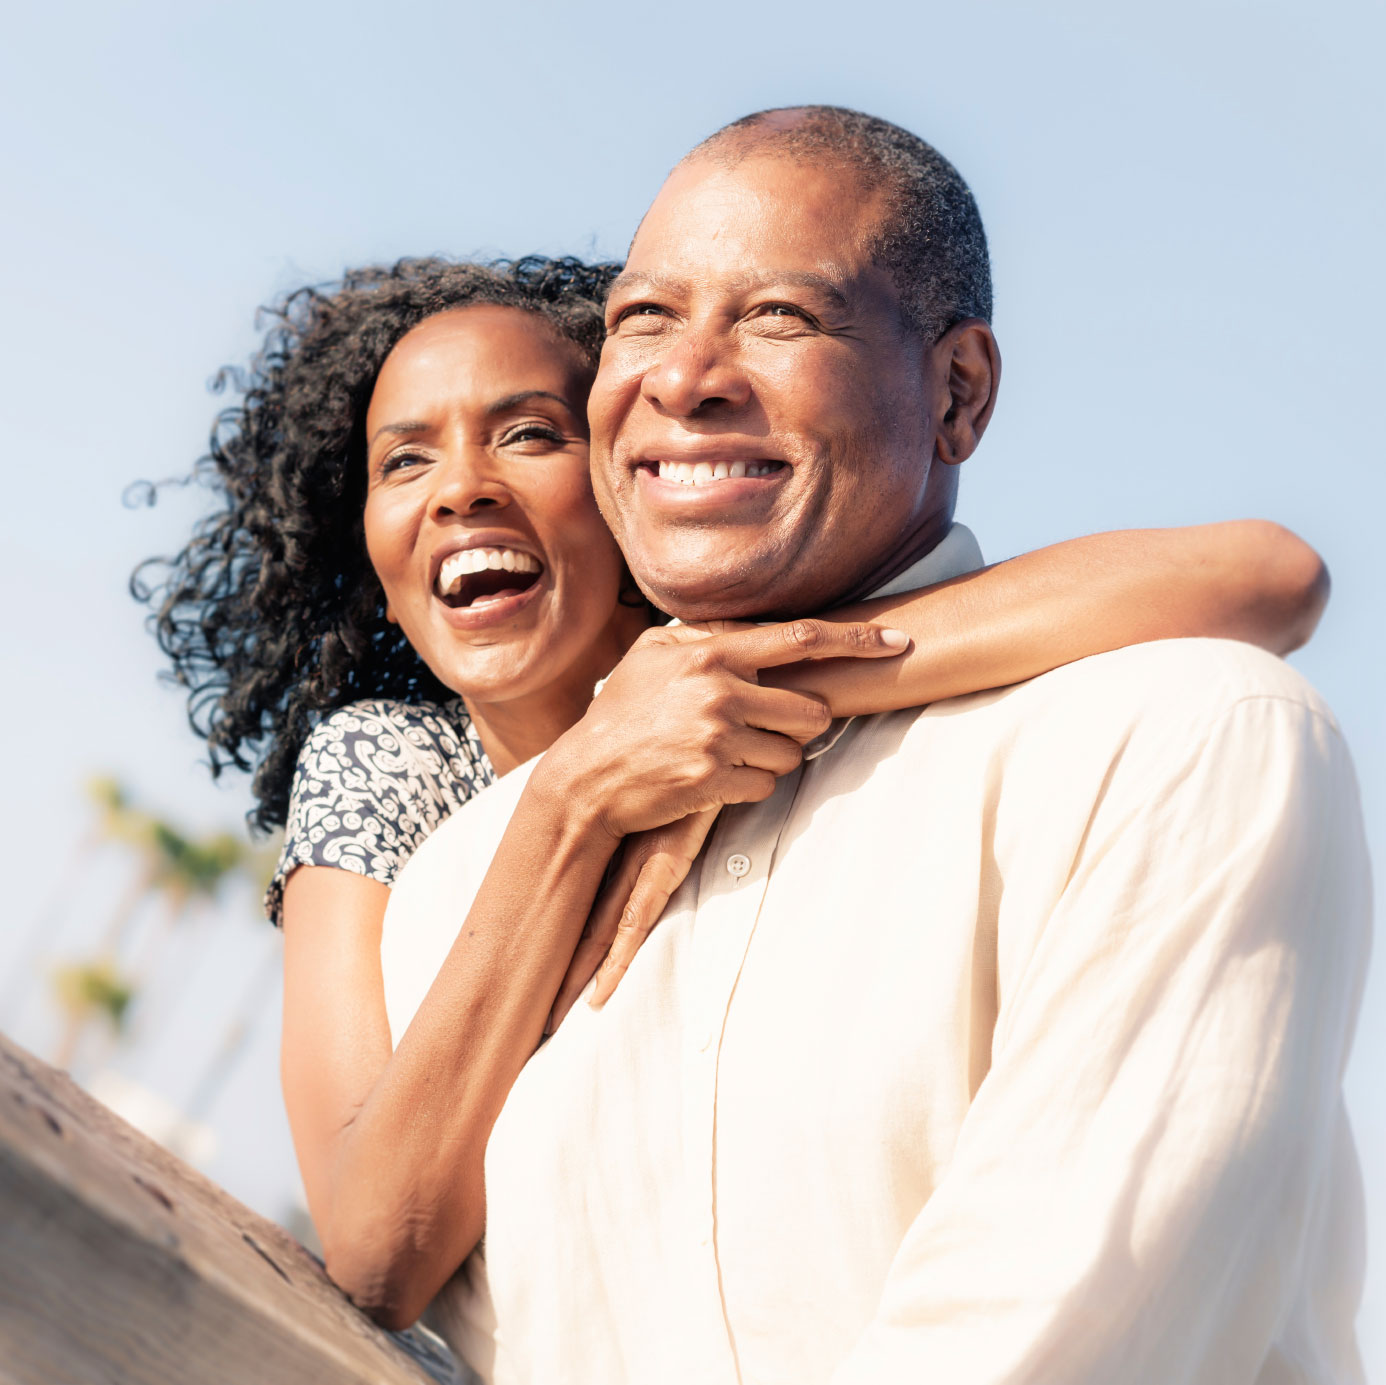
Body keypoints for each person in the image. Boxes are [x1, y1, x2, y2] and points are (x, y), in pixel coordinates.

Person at [143, 252, 1329, 1369]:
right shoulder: (389, 763)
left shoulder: (744, 643)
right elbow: (371, 1234)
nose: (462, 488)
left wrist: (763, 682)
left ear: (624, 481)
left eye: (529, 434)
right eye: (403, 462)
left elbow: (1267, 573)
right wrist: (580, 796)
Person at [378, 107, 1371, 1384]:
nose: (686, 377)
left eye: (781, 316)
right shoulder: (465, 881)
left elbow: (1052, 1337)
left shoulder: (1176, 741)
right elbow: (389, 1272)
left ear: (957, 393)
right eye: (643, 318)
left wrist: (791, 677)